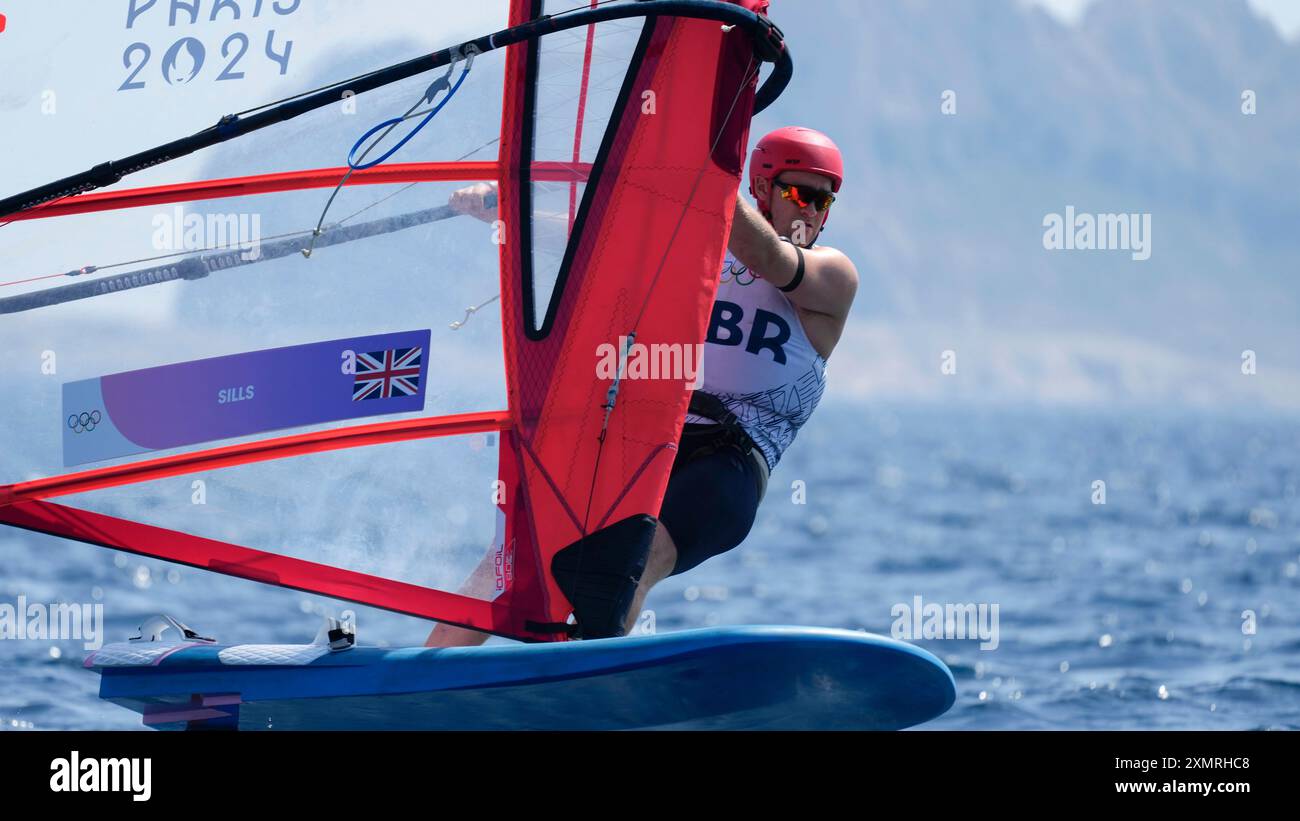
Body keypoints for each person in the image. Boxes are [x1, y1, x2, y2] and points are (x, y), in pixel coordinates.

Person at [427, 127, 858, 647]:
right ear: (762, 189)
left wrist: (701, 164)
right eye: (801, 194)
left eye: (824, 199)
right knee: (514, 556)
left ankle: (583, 685)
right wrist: (503, 214)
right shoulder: (694, 243)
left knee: (633, 557)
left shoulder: (832, 275)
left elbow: (768, 259)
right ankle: (423, 683)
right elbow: (593, 237)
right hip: (650, 439)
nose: (813, 211)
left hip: (728, 465)